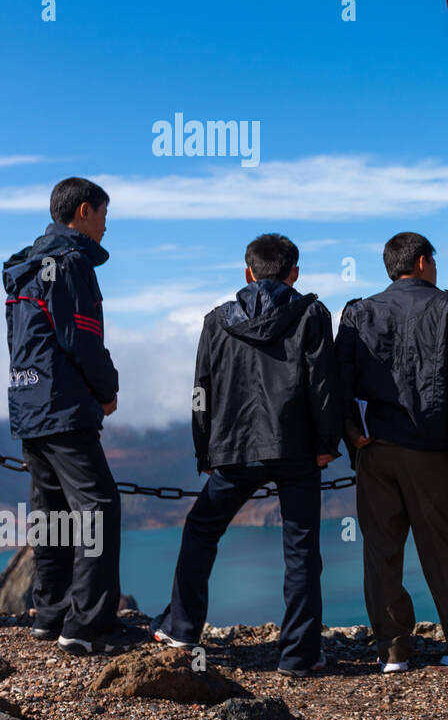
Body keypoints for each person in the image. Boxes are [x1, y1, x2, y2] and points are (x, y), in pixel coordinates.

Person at [153, 234, 342, 677]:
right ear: (294, 274)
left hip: (233, 449)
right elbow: (323, 385)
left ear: (247, 273)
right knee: (301, 550)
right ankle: (299, 656)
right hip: (296, 449)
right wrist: (326, 445)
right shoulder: (311, 314)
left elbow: (201, 391)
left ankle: (181, 628)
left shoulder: (216, 321)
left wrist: (205, 449)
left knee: (201, 531)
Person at [334, 232, 448, 673]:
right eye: (433, 262)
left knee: (381, 550)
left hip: (375, 448)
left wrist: (352, 435)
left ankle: (393, 649)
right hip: (428, 450)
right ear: (421, 263)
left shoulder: (359, 311)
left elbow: (337, 380)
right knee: (443, 547)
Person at [3, 178, 133, 655]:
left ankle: (50, 612)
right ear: (82, 211)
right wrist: (107, 391)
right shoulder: (71, 263)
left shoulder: (24, 267)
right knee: (98, 507)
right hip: (63, 405)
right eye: (102, 214)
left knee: (50, 511)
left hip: (26, 402)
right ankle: (89, 625)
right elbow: (81, 336)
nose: (105, 225)